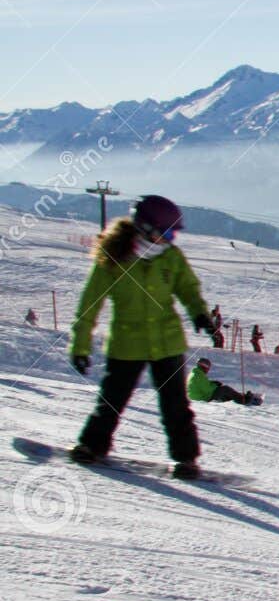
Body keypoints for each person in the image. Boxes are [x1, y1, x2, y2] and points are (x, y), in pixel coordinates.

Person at [68, 195, 213, 478]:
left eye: (175, 234)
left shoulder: (171, 257)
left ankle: (186, 460)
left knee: (175, 404)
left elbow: (188, 289)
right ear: (146, 229)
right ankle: (91, 446)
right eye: (168, 233)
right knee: (112, 400)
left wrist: (200, 313)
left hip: (167, 342)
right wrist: (80, 346)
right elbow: (89, 305)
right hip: (127, 344)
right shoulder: (112, 258)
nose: (172, 240)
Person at [187, 356, 261, 406]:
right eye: (208, 368)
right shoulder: (199, 375)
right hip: (202, 398)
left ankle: (242, 397)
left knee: (223, 392)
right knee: (225, 389)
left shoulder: (194, 373)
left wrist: (213, 383)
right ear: (205, 367)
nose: (208, 370)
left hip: (196, 397)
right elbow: (207, 390)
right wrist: (216, 385)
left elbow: (202, 385)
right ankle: (244, 400)